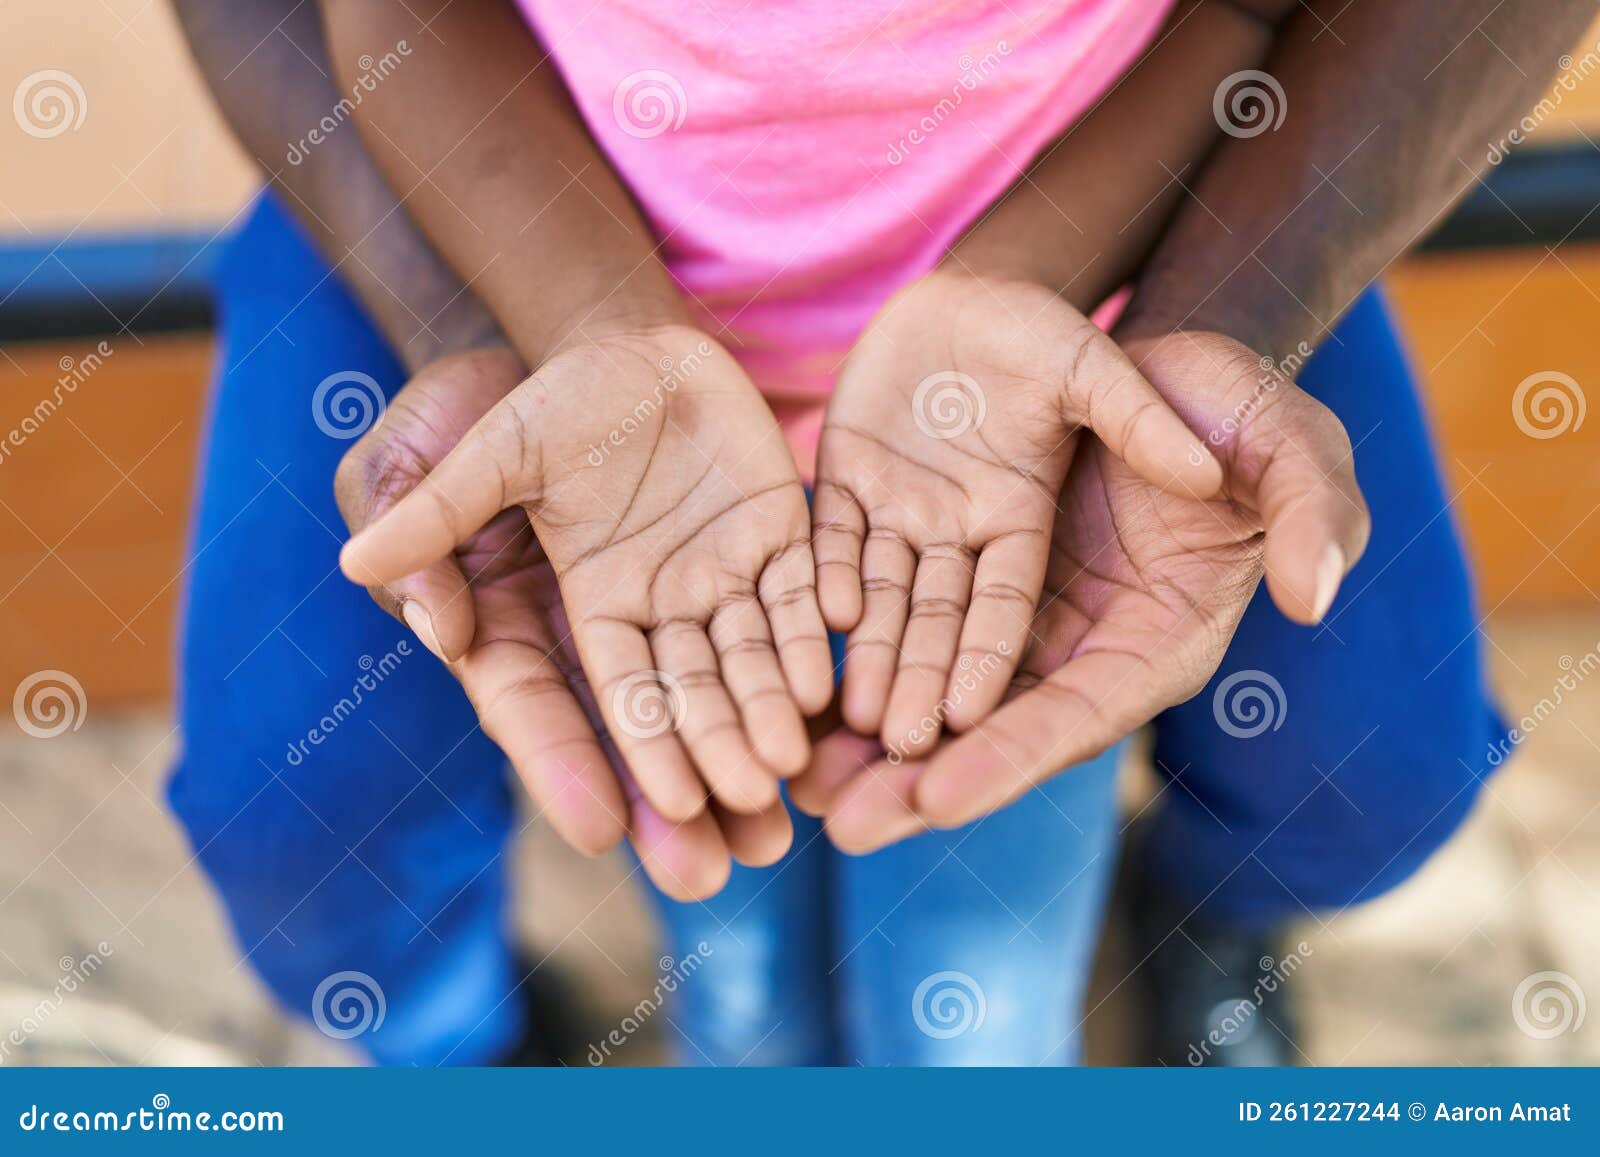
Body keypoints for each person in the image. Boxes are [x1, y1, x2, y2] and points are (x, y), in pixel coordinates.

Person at [167, 0, 1583, 1065]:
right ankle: (458, 1042)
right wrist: (526, 327)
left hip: (1162, 200)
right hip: (482, 194)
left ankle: (1203, 911)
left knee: (1374, 777)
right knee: (298, 819)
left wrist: (1170, 303)